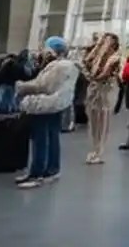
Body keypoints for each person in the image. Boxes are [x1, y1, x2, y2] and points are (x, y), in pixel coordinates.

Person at [14, 36, 81, 189]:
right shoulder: (68, 66)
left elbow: (43, 86)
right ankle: (51, 170)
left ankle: (37, 173)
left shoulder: (58, 67)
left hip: (45, 105)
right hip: (56, 105)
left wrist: (22, 86)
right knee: (52, 136)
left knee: (40, 139)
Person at [83, 32, 121, 164]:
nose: (104, 42)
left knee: (102, 120)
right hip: (94, 88)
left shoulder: (115, 57)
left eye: (107, 40)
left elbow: (105, 73)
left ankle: (99, 151)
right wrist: (96, 46)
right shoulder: (97, 55)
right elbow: (86, 61)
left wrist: (92, 77)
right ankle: (93, 148)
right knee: (93, 118)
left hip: (105, 90)